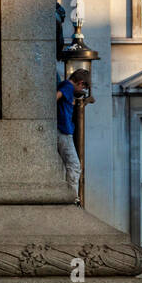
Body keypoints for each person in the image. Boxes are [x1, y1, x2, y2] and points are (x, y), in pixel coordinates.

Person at [57, 68, 90, 203]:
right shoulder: (68, 86)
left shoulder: (67, 87)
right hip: (63, 131)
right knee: (74, 165)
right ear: (81, 83)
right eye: (84, 87)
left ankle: (70, 195)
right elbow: (57, 95)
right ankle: (72, 197)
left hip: (62, 130)